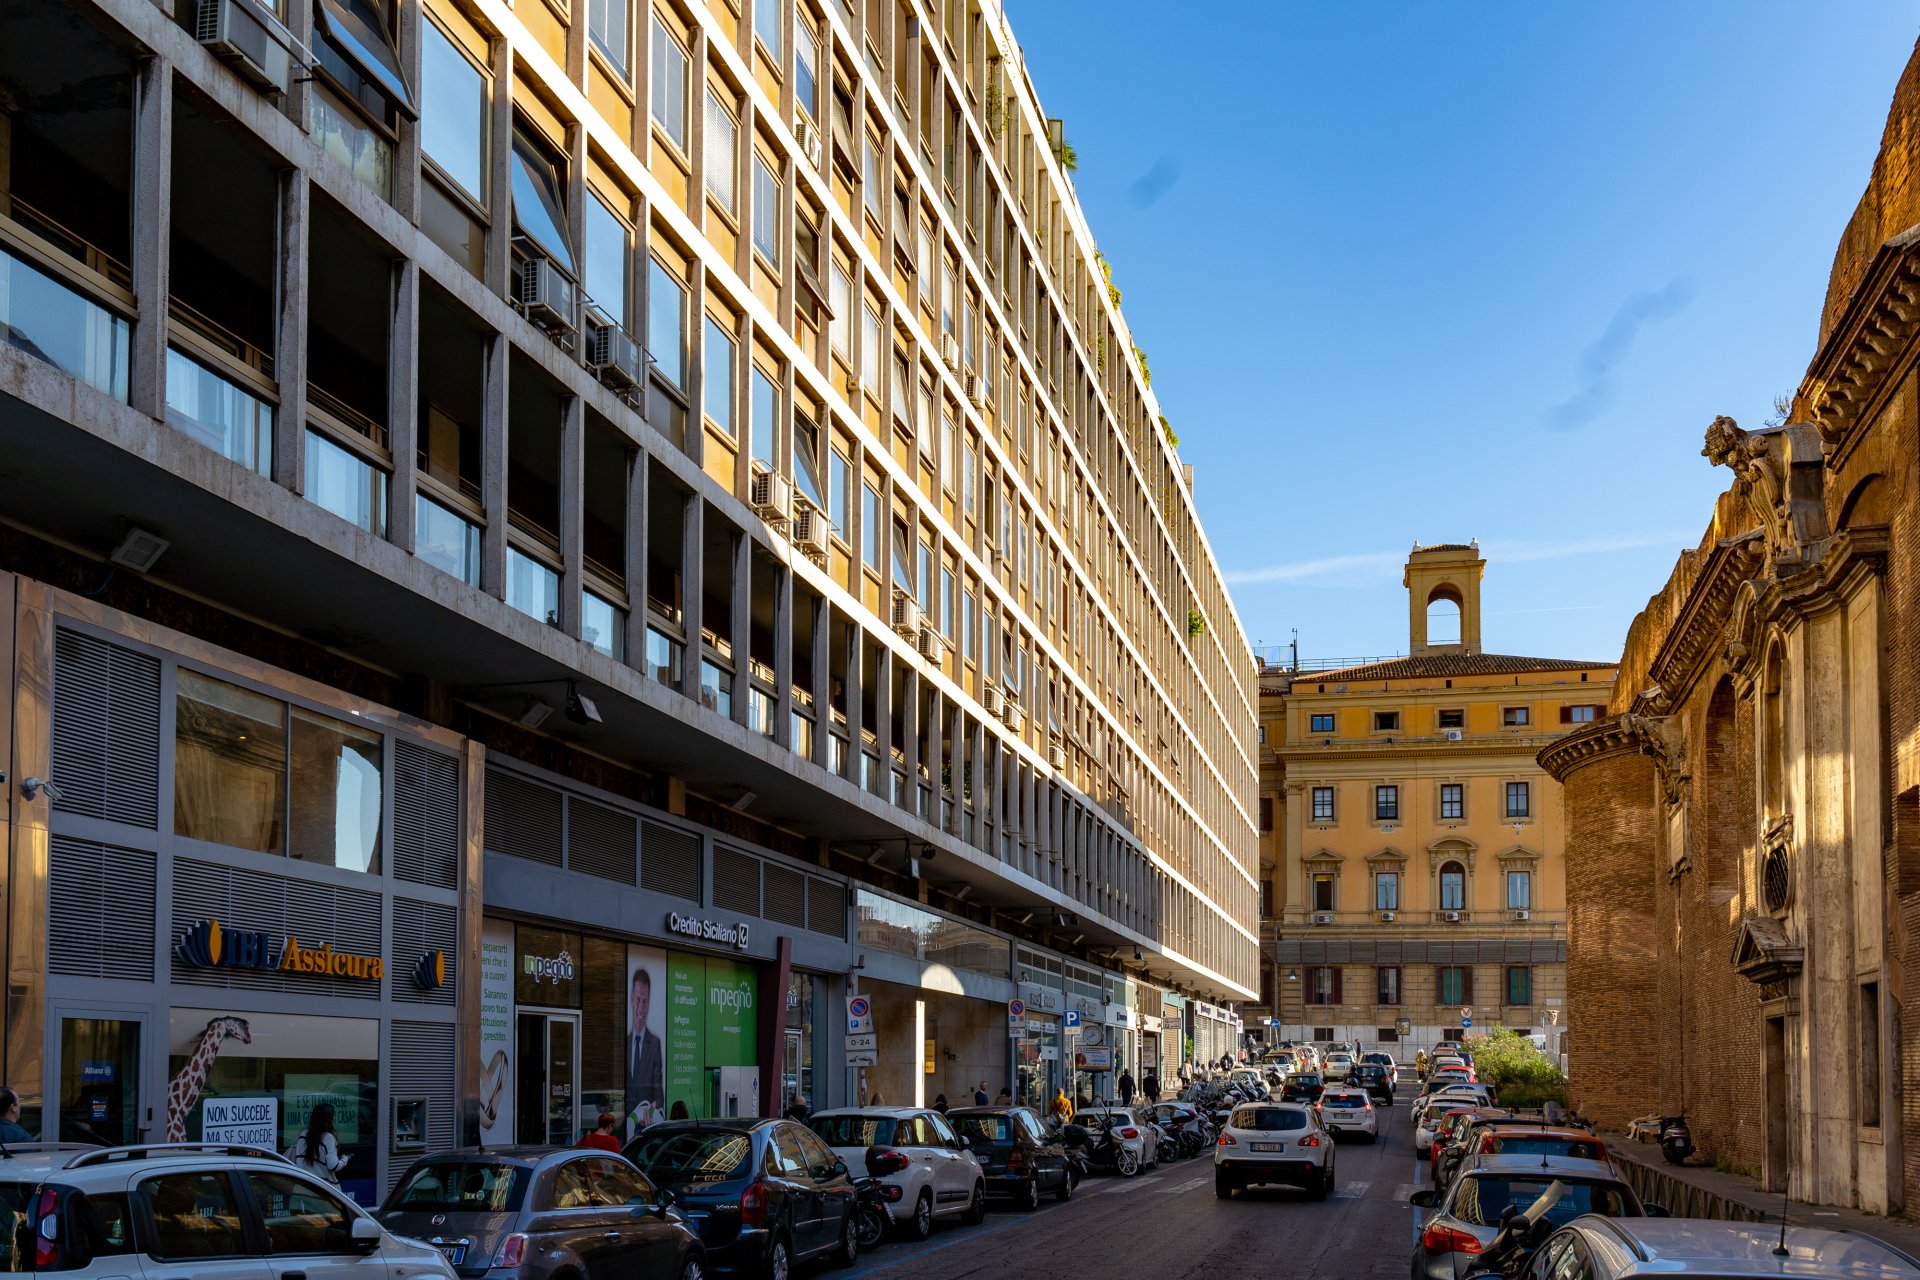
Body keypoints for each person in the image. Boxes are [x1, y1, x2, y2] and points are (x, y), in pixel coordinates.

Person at [625, 968, 665, 1130]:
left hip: (645, 1128)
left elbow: (659, 1094)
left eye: (645, 1001)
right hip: (624, 1127)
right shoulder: (624, 1044)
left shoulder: (654, 1044)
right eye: (638, 1000)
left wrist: (651, 1109)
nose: (641, 1008)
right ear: (632, 999)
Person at [286, 1102, 349, 1184]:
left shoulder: (303, 1134)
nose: (334, 1118)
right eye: (333, 1115)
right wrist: (344, 1160)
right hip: (321, 1188)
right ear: (330, 1118)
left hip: (302, 1185)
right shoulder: (328, 1138)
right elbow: (333, 1166)